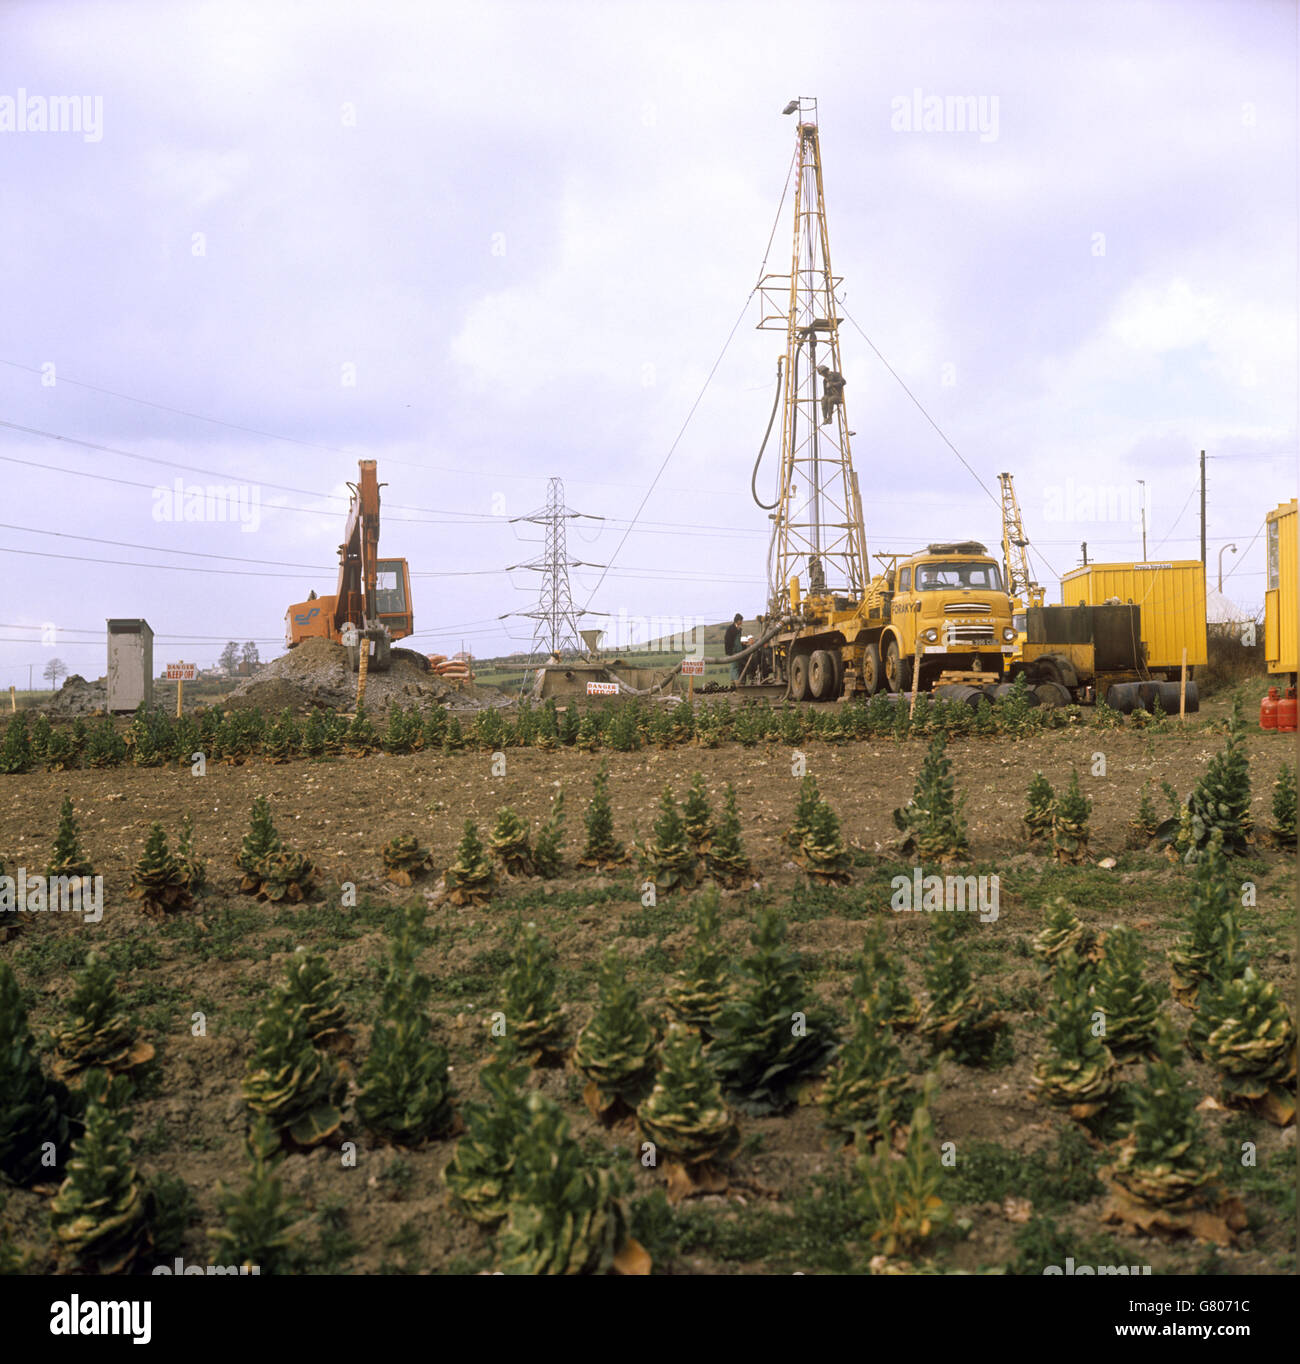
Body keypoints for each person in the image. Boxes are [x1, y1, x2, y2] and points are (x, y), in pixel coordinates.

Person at [724, 613, 745, 683]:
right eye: (741, 620)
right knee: (735, 666)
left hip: (739, 650)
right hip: (734, 651)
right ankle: (736, 681)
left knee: (736, 666)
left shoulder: (739, 629)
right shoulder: (731, 629)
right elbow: (727, 640)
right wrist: (730, 651)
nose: (742, 622)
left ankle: (733, 680)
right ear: (738, 620)